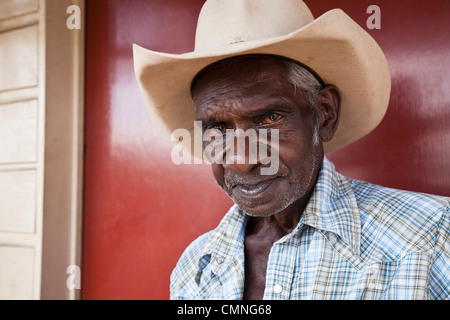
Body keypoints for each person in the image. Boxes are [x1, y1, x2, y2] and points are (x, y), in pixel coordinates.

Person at [133, 0, 449, 299]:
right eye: (217, 129)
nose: (242, 161)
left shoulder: (432, 239)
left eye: (270, 118)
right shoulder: (195, 268)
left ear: (325, 113)